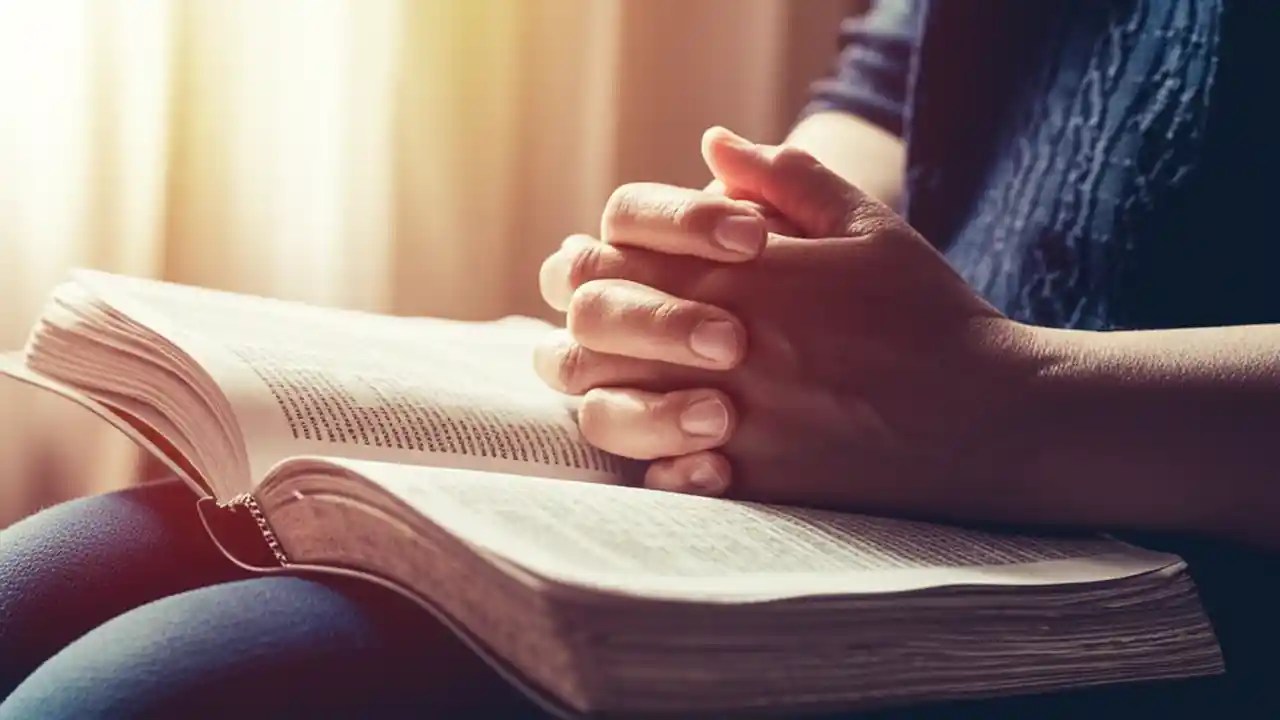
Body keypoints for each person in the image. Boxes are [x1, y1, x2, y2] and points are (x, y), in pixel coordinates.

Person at [2, 1, 1278, 717]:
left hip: (1186, 524)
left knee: (154, 699)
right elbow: (904, 72)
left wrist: (1004, 406)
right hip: (916, 453)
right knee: (39, 582)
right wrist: (743, 275)